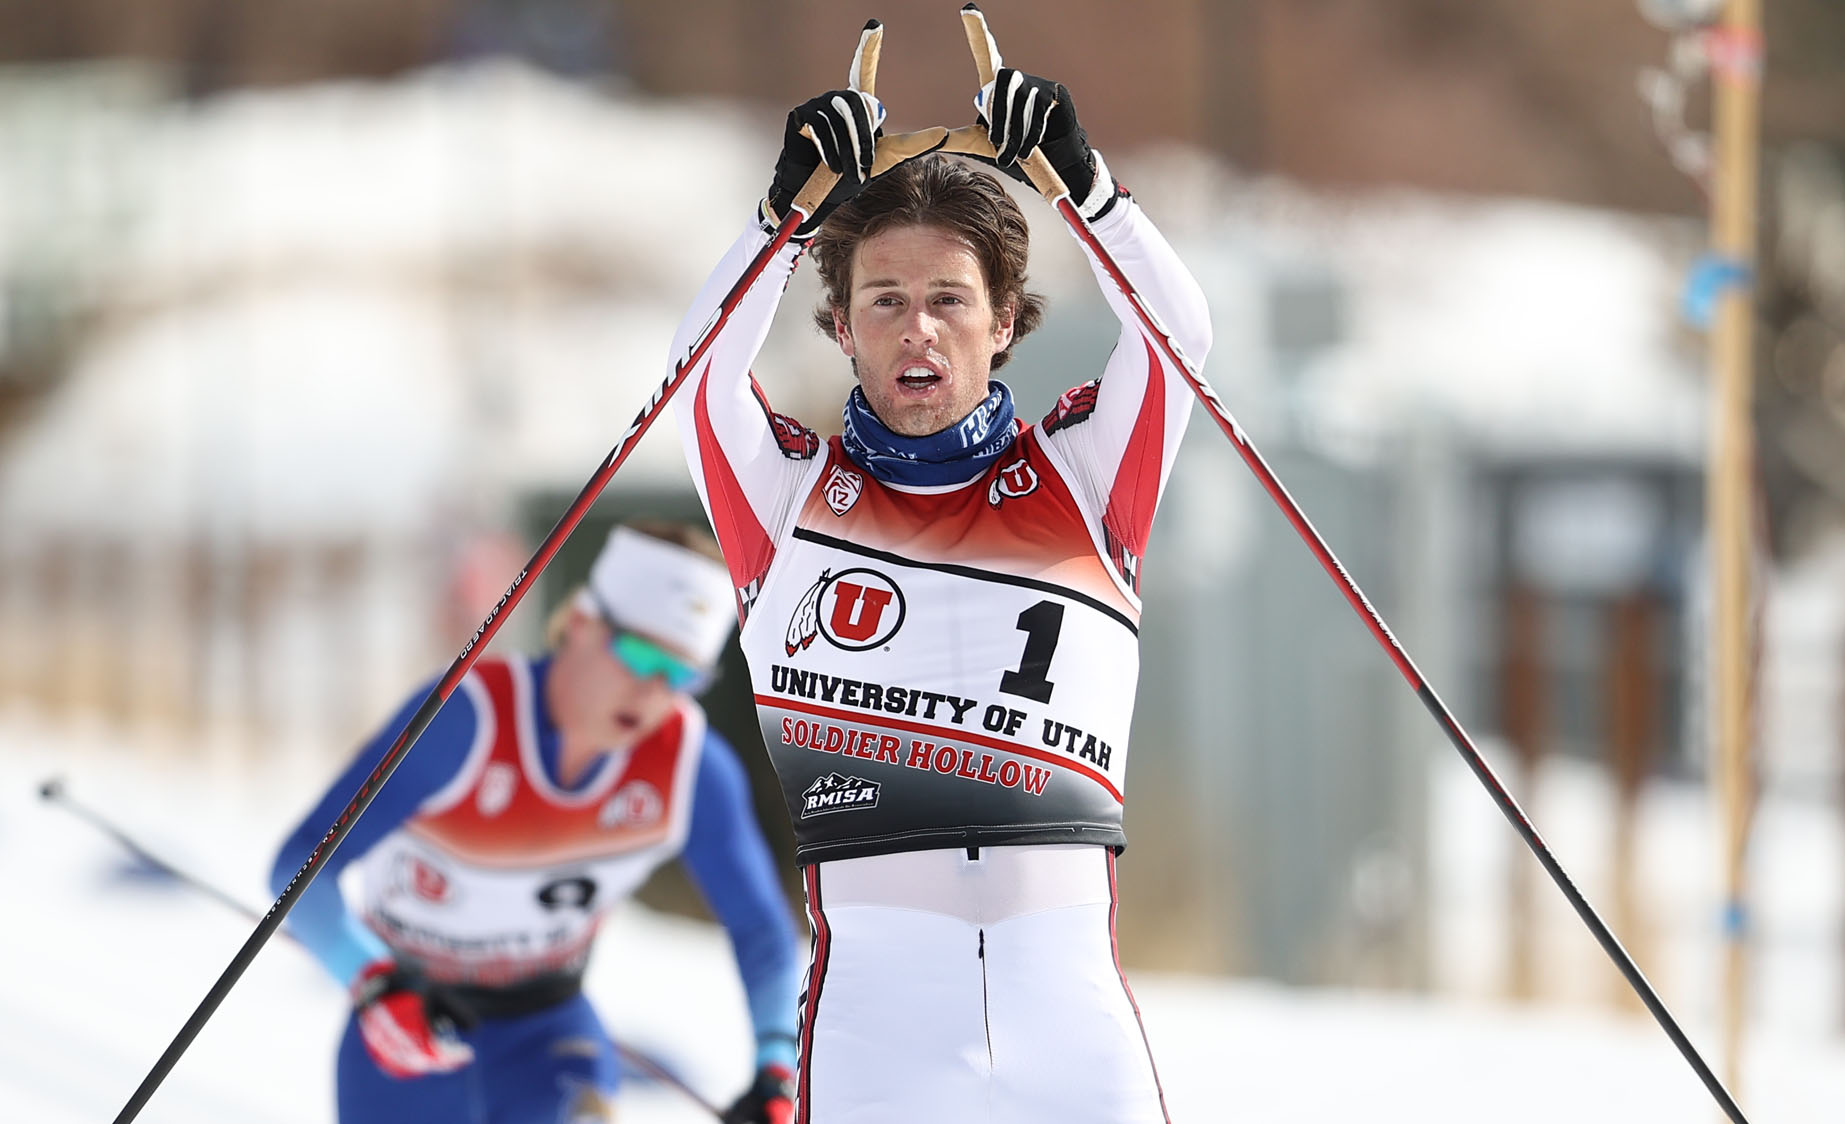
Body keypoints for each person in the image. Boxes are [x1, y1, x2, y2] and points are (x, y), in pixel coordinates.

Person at [667, 64, 1211, 1123]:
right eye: (885, 300)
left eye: (948, 299)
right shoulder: (784, 501)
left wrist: (1088, 196)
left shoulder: (1084, 472)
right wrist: (781, 218)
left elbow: (1176, 343)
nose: (917, 329)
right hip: (880, 1025)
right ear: (839, 326)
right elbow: (695, 377)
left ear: (1004, 319)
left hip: (1069, 1017)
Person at [270, 521, 802, 1124]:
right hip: (409, 1029)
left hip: (547, 1035)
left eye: (682, 676)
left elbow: (762, 932)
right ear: (581, 622)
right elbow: (299, 868)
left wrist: (776, 1071)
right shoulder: (463, 722)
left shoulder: (689, 767)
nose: (654, 692)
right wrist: (368, 978)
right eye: (641, 655)